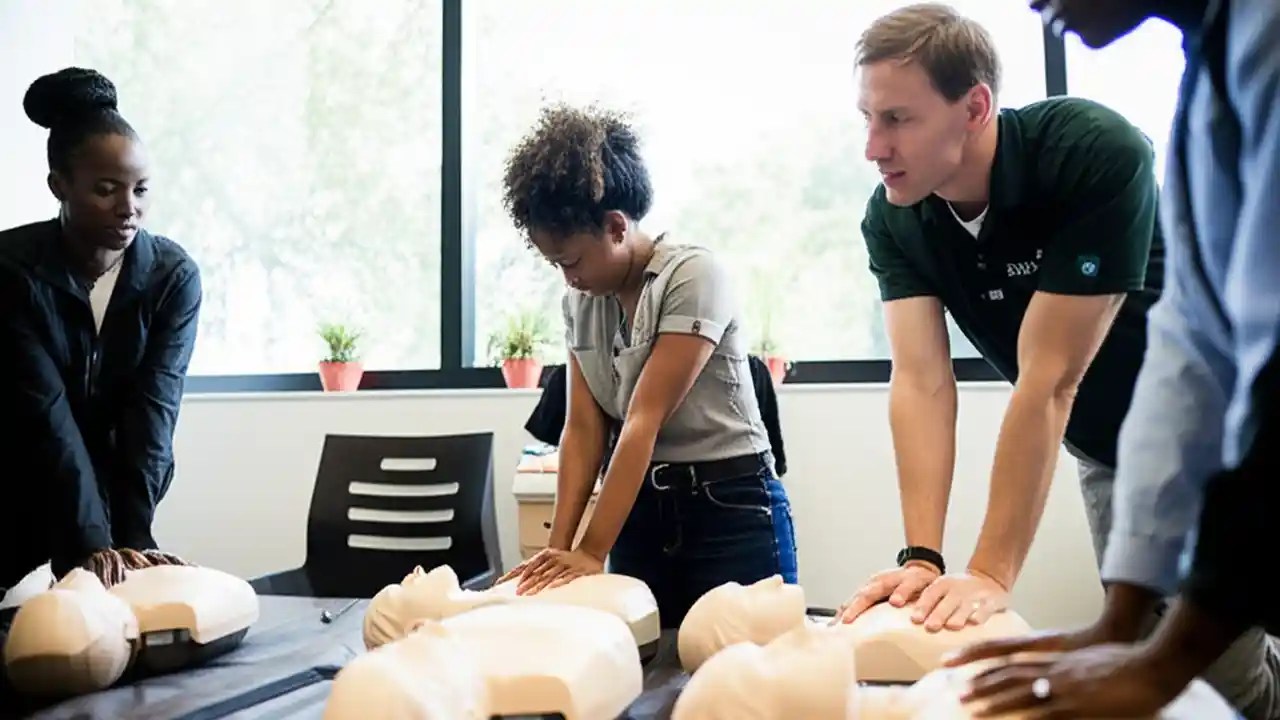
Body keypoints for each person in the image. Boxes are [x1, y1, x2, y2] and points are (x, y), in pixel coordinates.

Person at [937, 1, 1280, 718]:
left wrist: (1169, 657)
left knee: (1234, 687)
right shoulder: (1208, 78)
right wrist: (1119, 625)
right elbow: (1191, 353)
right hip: (1148, 458)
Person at [493, 102, 798, 628]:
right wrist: (558, 553)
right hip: (639, 514)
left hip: (730, 510)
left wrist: (591, 551)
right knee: (639, 667)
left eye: (572, 261)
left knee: (747, 667)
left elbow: (643, 419)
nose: (568, 279)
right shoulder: (582, 302)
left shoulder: (693, 275)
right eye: (555, 265)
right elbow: (582, 428)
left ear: (616, 226)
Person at [0, 68, 201, 600]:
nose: (128, 207)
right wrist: (89, 542)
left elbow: (154, 413)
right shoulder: (11, 271)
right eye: (106, 189)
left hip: (116, 492)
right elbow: (45, 412)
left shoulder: (172, 278)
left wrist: (134, 541)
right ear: (59, 186)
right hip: (20, 482)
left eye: (141, 189)